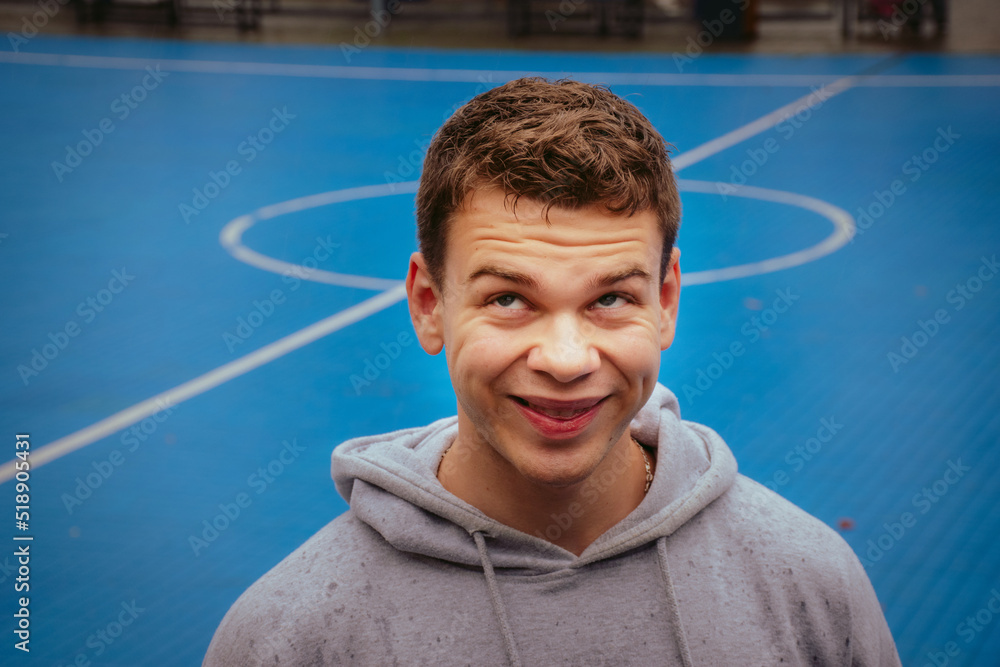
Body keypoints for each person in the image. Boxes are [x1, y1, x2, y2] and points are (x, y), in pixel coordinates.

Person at [203, 77, 901, 666]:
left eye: (610, 298)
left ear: (664, 301)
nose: (565, 360)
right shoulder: (292, 635)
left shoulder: (811, 587)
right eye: (509, 298)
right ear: (428, 305)